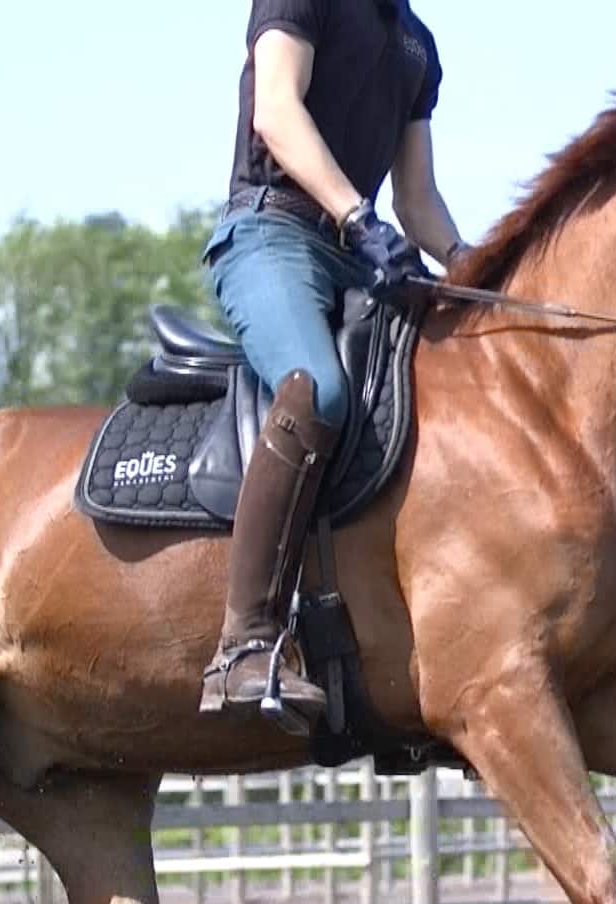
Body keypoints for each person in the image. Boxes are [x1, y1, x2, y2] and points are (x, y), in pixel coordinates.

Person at [197, 0, 468, 730]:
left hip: (357, 253)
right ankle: (243, 645)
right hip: (270, 230)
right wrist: (357, 217)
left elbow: (417, 199)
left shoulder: (416, 44)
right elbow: (276, 112)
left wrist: (474, 266)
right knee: (317, 390)